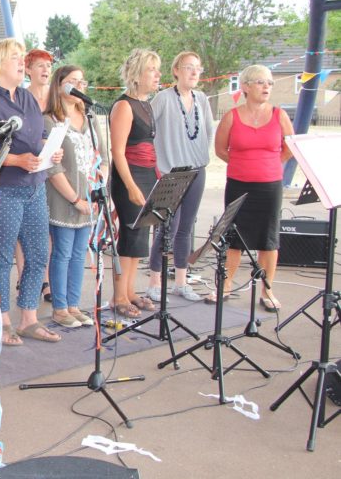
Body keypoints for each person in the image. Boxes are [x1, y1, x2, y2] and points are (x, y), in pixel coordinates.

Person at [0, 38, 62, 345]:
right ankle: (2, 319)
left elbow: (38, 138)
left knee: (37, 253)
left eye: (22, 58)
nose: (22, 62)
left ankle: (29, 318)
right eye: (15, 58)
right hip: (3, 188)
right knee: (2, 257)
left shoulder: (28, 99)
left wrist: (50, 151)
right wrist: (16, 159)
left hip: (34, 187)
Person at [213, 64, 292, 311]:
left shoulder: (279, 114)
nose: (267, 86)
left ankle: (267, 290)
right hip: (238, 185)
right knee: (234, 237)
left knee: (268, 238)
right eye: (260, 82)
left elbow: (290, 146)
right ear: (245, 87)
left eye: (269, 82)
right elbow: (220, 149)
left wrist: (269, 164)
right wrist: (243, 164)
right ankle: (225, 286)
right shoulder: (231, 116)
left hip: (270, 186)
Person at [144, 52, 215, 303]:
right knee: (167, 227)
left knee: (186, 227)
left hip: (197, 170)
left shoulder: (202, 99)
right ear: (176, 70)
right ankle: (154, 281)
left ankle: (182, 281)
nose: (194, 72)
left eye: (198, 68)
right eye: (188, 67)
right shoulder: (163, 99)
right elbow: (147, 131)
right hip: (171, 173)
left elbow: (207, 131)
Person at [44, 65, 106, 328]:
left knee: (80, 253)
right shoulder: (50, 120)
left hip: (89, 196)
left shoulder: (89, 118)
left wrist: (100, 183)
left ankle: (73, 304)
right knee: (63, 252)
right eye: (72, 81)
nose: (79, 86)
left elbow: (102, 155)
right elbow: (52, 166)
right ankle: (59, 308)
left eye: (82, 81)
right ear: (59, 85)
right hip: (64, 199)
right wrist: (74, 199)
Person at [108, 48, 161, 318]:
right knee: (129, 236)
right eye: (152, 69)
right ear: (137, 74)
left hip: (148, 174)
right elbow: (117, 152)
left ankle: (130, 291)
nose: (157, 75)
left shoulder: (147, 104)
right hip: (129, 177)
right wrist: (130, 186)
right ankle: (118, 296)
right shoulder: (124, 105)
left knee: (141, 236)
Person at [22, 48, 55, 301]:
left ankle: (47, 278)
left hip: (56, 168)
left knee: (50, 230)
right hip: (29, 169)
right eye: (40, 65)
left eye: (48, 65)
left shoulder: (55, 99)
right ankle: (29, 281)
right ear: (28, 69)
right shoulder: (22, 98)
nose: (45, 70)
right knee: (25, 234)